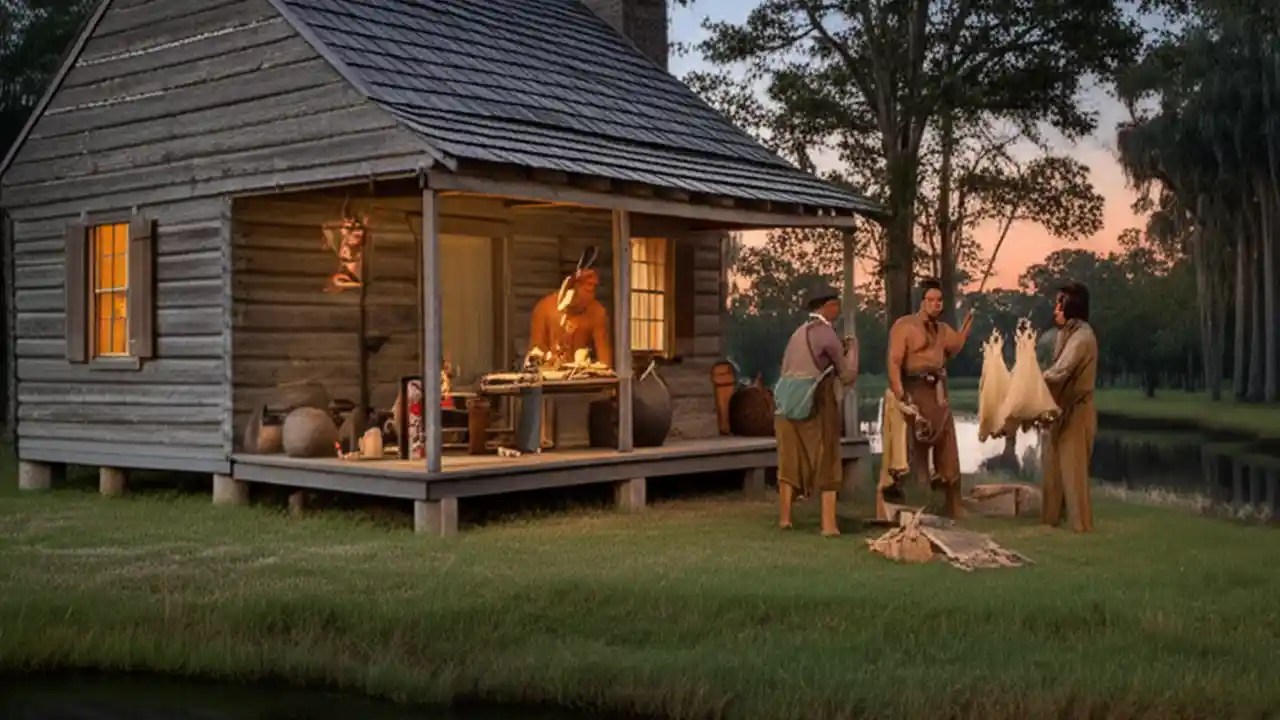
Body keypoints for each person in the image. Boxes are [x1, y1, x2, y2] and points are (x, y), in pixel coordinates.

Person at [773, 287, 859, 536]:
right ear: (828, 306)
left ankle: (785, 519)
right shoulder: (827, 334)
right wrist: (853, 350)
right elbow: (847, 375)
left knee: (789, 460)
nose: (838, 310)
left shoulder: (798, 333)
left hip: (787, 406)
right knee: (828, 458)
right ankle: (828, 524)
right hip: (816, 404)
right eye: (836, 305)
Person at [885, 278, 974, 518]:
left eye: (939, 300)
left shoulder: (943, 330)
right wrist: (900, 395)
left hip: (938, 392)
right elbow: (894, 362)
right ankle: (919, 502)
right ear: (922, 302)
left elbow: (955, 345)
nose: (936, 304)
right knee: (917, 447)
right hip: (914, 390)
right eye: (931, 300)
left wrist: (966, 328)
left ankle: (953, 504)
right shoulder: (904, 326)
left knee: (948, 446)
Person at [1040, 282, 1098, 532]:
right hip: (1060, 412)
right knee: (1052, 471)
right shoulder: (1066, 334)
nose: (1055, 309)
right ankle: (1050, 522)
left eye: (1059, 304)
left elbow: (1059, 372)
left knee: (1074, 472)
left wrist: (1030, 381)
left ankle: (1080, 526)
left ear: (1071, 306)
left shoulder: (1082, 337)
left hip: (1077, 412)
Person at [529, 268, 612, 367]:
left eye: (593, 290)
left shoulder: (597, 312)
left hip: (582, 374)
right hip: (549, 372)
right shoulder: (545, 308)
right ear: (571, 289)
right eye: (586, 289)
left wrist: (586, 366)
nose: (589, 296)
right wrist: (547, 358)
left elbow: (605, 362)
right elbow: (536, 352)